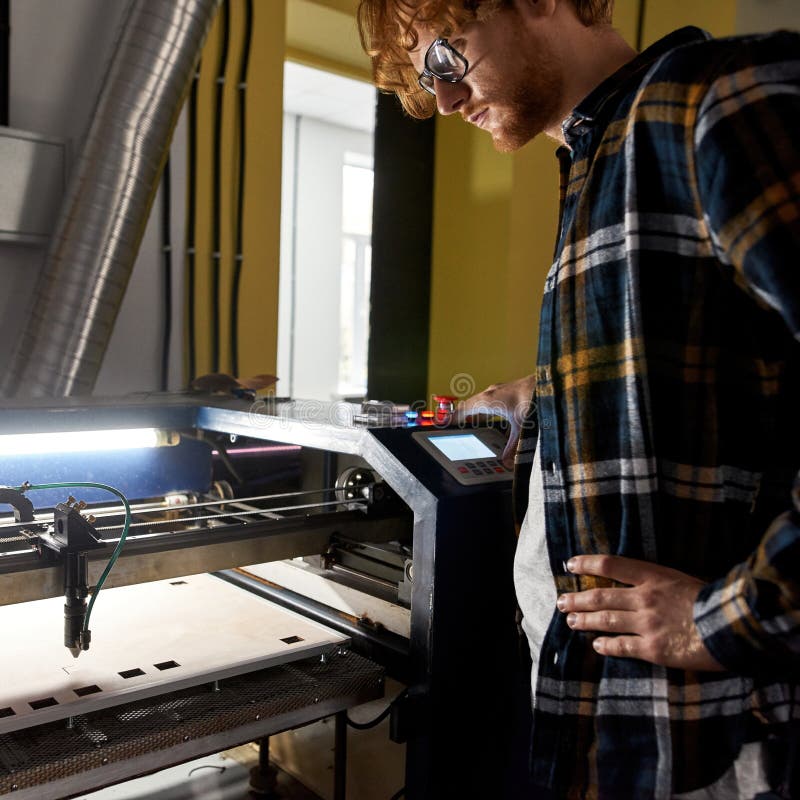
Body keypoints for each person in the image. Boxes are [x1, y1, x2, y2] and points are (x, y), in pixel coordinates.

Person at [357, 0, 800, 797]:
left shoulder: (718, 101)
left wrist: (732, 616)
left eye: (448, 59)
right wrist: (549, 390)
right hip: (617, 730)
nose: (449, 101)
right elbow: (719, 360)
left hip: (727, 731)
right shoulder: (603, 160)